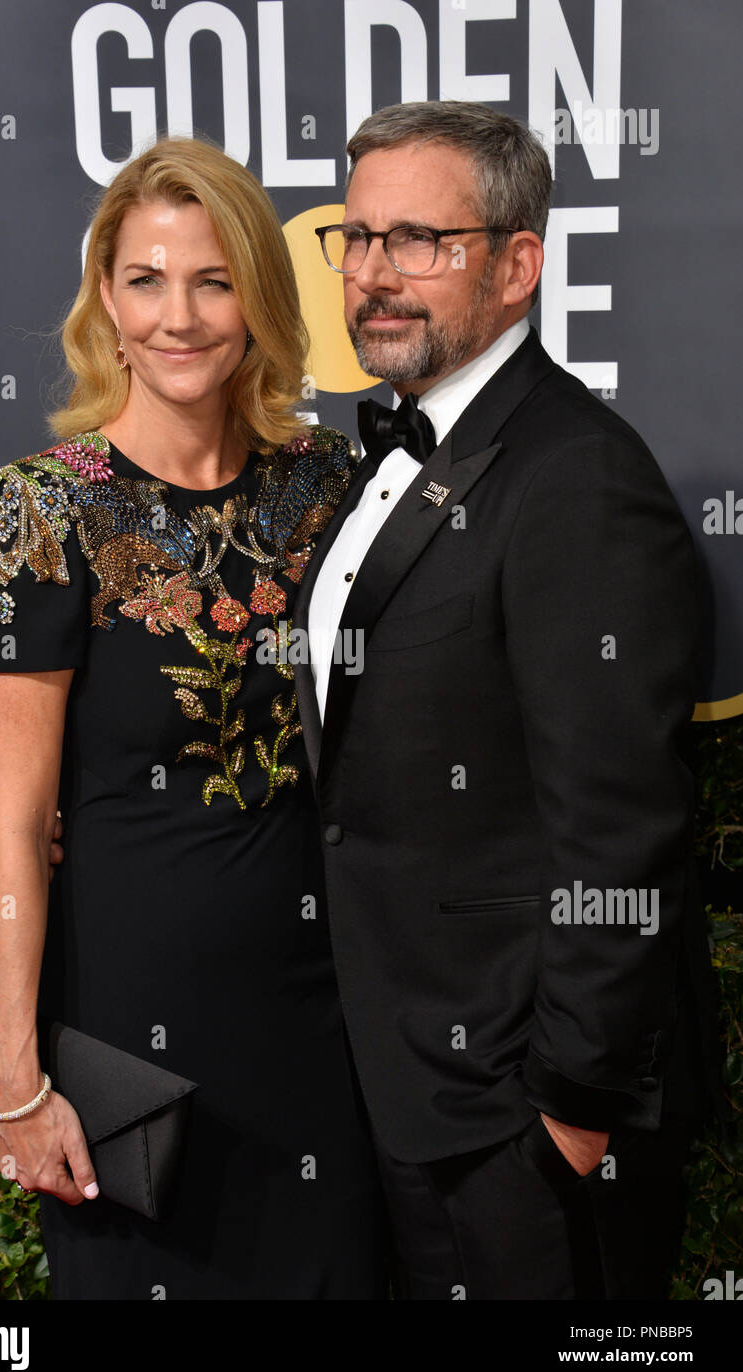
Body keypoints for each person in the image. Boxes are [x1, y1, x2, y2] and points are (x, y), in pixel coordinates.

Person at [291, 100, 720, 1300]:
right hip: (409, 1081)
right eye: (358, 237)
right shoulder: (401, 450)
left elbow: (624, 826)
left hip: (518, 1119)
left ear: (518, 265)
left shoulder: (576, 477)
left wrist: (569, 1118)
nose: (375, 274)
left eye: (421, 241)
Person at [0, 136, 388, 1300]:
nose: (179, 316)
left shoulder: (330, 490)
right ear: (105, 296)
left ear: (257, 292)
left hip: (323, 1028)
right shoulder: (42, 513)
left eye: (211, 279)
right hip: (125, 1042)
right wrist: (14, 1080)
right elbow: (12, 826)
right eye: (145, 279)